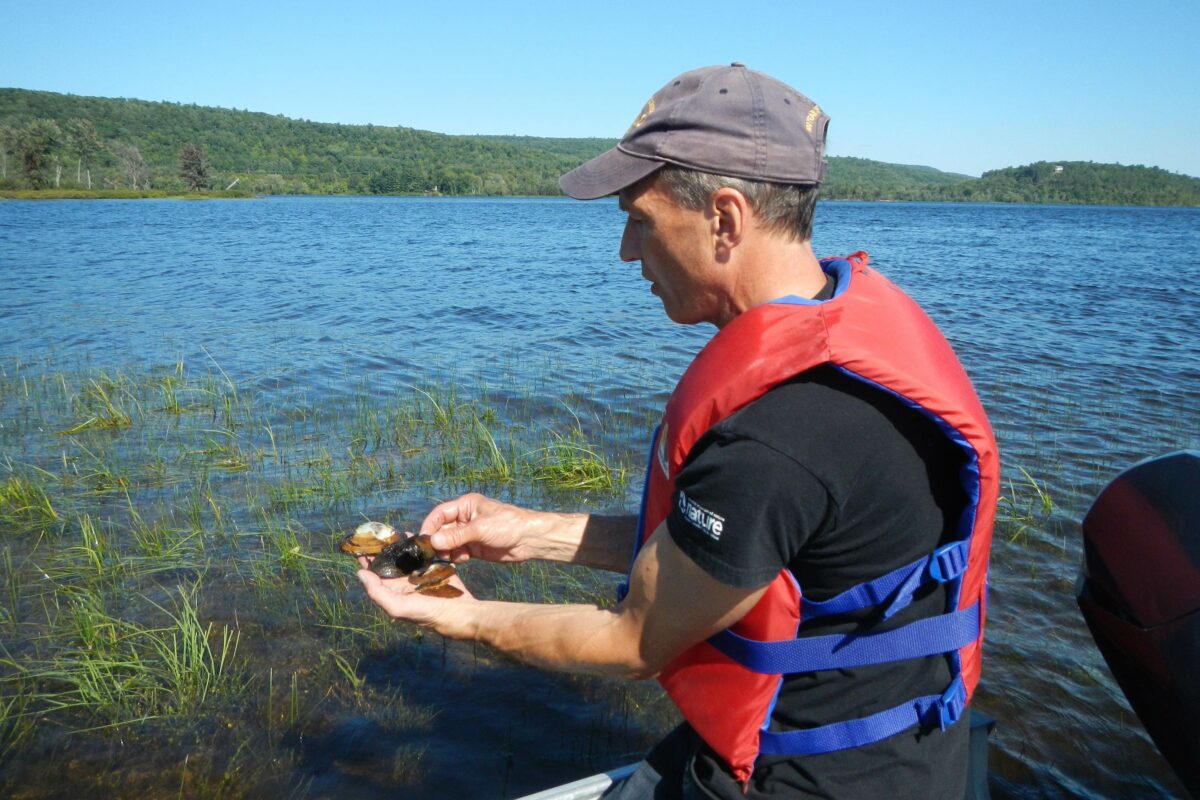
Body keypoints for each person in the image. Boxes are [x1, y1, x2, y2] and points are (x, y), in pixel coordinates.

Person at [356, 63, 999, 799]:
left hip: (807, 777)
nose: (628, 252)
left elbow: (632, 639)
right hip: (908, 744)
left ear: (725, 218)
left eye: (641, 220)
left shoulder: (779, 436)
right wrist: (527, 533)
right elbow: (734, 551)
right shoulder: (845, 343)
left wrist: (459, 618)